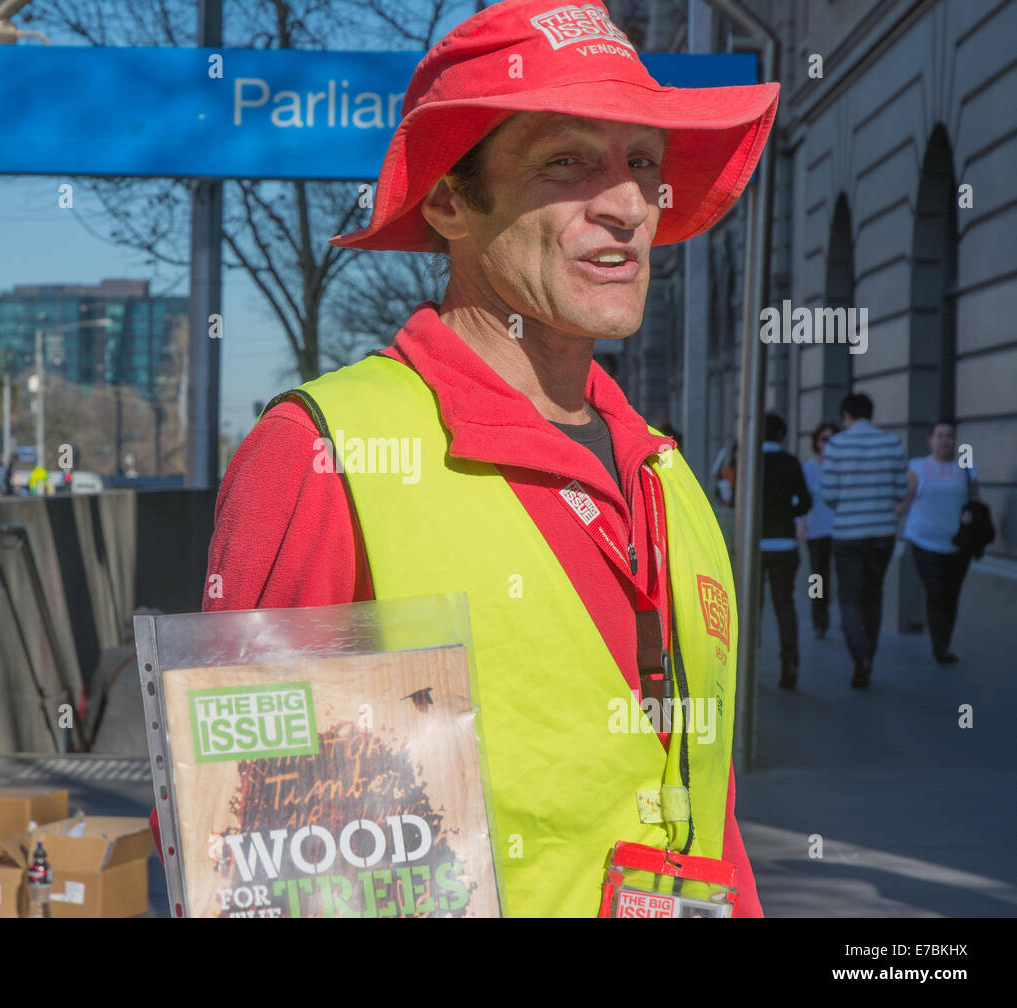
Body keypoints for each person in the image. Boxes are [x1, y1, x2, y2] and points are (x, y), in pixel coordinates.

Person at [202, 0, 777, 916]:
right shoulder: (323, 452)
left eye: (641, 165)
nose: (630, 204)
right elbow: (239, 840)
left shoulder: (664, 472)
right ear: (448, 201)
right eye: (567, 161)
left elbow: (712, 816)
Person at [820, 392, 907, 688]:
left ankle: (860, 655)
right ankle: (869, 652)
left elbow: (829, 494)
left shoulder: (837, 445)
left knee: (849, 598)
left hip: (848, 535)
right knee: (874, 597)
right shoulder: (891, 444)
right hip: (883, 533)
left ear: (846, 415)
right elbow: (899, 491)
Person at [899, 420, 979, 664]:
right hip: (925, 541)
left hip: (957, 543)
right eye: (940, 436)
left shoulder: (966, 468)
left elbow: (976, 501)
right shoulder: (917, 467)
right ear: (930, 440)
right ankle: (938, 646)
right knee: (936, 591)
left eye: (950, 436)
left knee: (951, 595)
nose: (945, 441)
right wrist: (909, 493)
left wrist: (971, 514)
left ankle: (944, 641)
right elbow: (904, 502)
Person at [759, 414, 811, 689]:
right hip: (784, 544)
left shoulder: (751, 463)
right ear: (781, 435)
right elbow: (805, 503)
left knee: (750, 608)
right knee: (784, 607)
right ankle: (789, 663)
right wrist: (786, 510)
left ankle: (748, 665)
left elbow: (731, 497)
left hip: (754, 545)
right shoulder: (791, 463)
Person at [801, 421, 839, 638]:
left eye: (833, 439)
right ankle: (819, 619)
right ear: (817, 443)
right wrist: (802, 523)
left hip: (840, 529)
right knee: (817, 578)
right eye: (825, 439)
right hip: (817, 529)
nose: (829, 444)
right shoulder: (809, 468)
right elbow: (803, 498)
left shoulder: (842, 466)